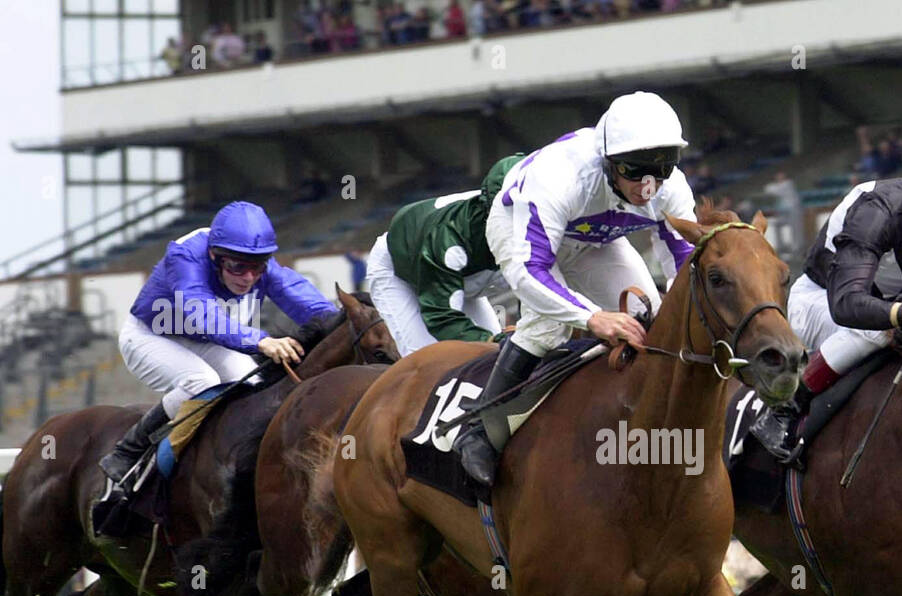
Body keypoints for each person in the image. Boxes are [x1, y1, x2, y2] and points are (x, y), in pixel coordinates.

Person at [453, 91, 697, 485]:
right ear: (609, 161)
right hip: (521, 229)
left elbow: (684, 262)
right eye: (635, 170)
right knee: (549, 326)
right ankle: (480, 431)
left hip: (594, 236)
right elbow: (530, 272)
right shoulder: (561, 175)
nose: (648, 186)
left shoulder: (672, 188)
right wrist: (592, 317)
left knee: (646, 318)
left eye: (663, 169)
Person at [751, 149, 902, 462]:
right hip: (821, 301)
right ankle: (786, 407)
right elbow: (848, 304)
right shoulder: (876, 214)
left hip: (890, 299)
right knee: (881, 329)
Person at [99, 201, 335, 486]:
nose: (248, 278)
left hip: (206, 340)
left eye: (257, 268)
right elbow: (204, 316)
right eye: (237, 267)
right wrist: (261, 341)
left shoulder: (254, 263)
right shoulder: (185, 256)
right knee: (202, 381)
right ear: (214, 255)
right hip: (151, 336)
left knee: (251, 386)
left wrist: (344, 321)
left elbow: (298, 294)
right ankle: (127, 452)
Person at [365, 153, 524, 356]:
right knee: (428, 357)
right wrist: (493, 340)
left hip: (459, 277)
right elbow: (442, 316)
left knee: (500, 356)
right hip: (401, 272)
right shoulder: (450, 238)